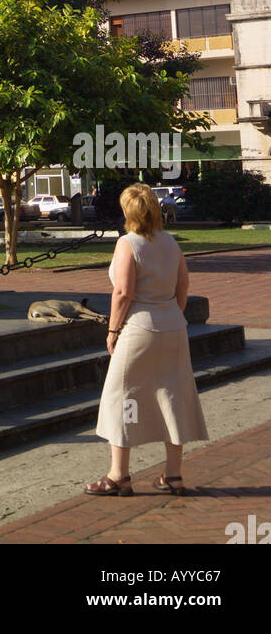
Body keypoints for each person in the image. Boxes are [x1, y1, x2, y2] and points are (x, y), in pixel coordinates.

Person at [85, 182, 208, 496]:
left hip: (138, 328)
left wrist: (112, 331)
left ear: (128, 212)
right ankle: (174, 474)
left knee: (122, 397)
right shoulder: (171, 243)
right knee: (173, 395)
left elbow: (123, 292)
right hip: (172, 325)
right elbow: (182, 290)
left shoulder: (128, 243)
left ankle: (119, 475)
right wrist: (169, 315)